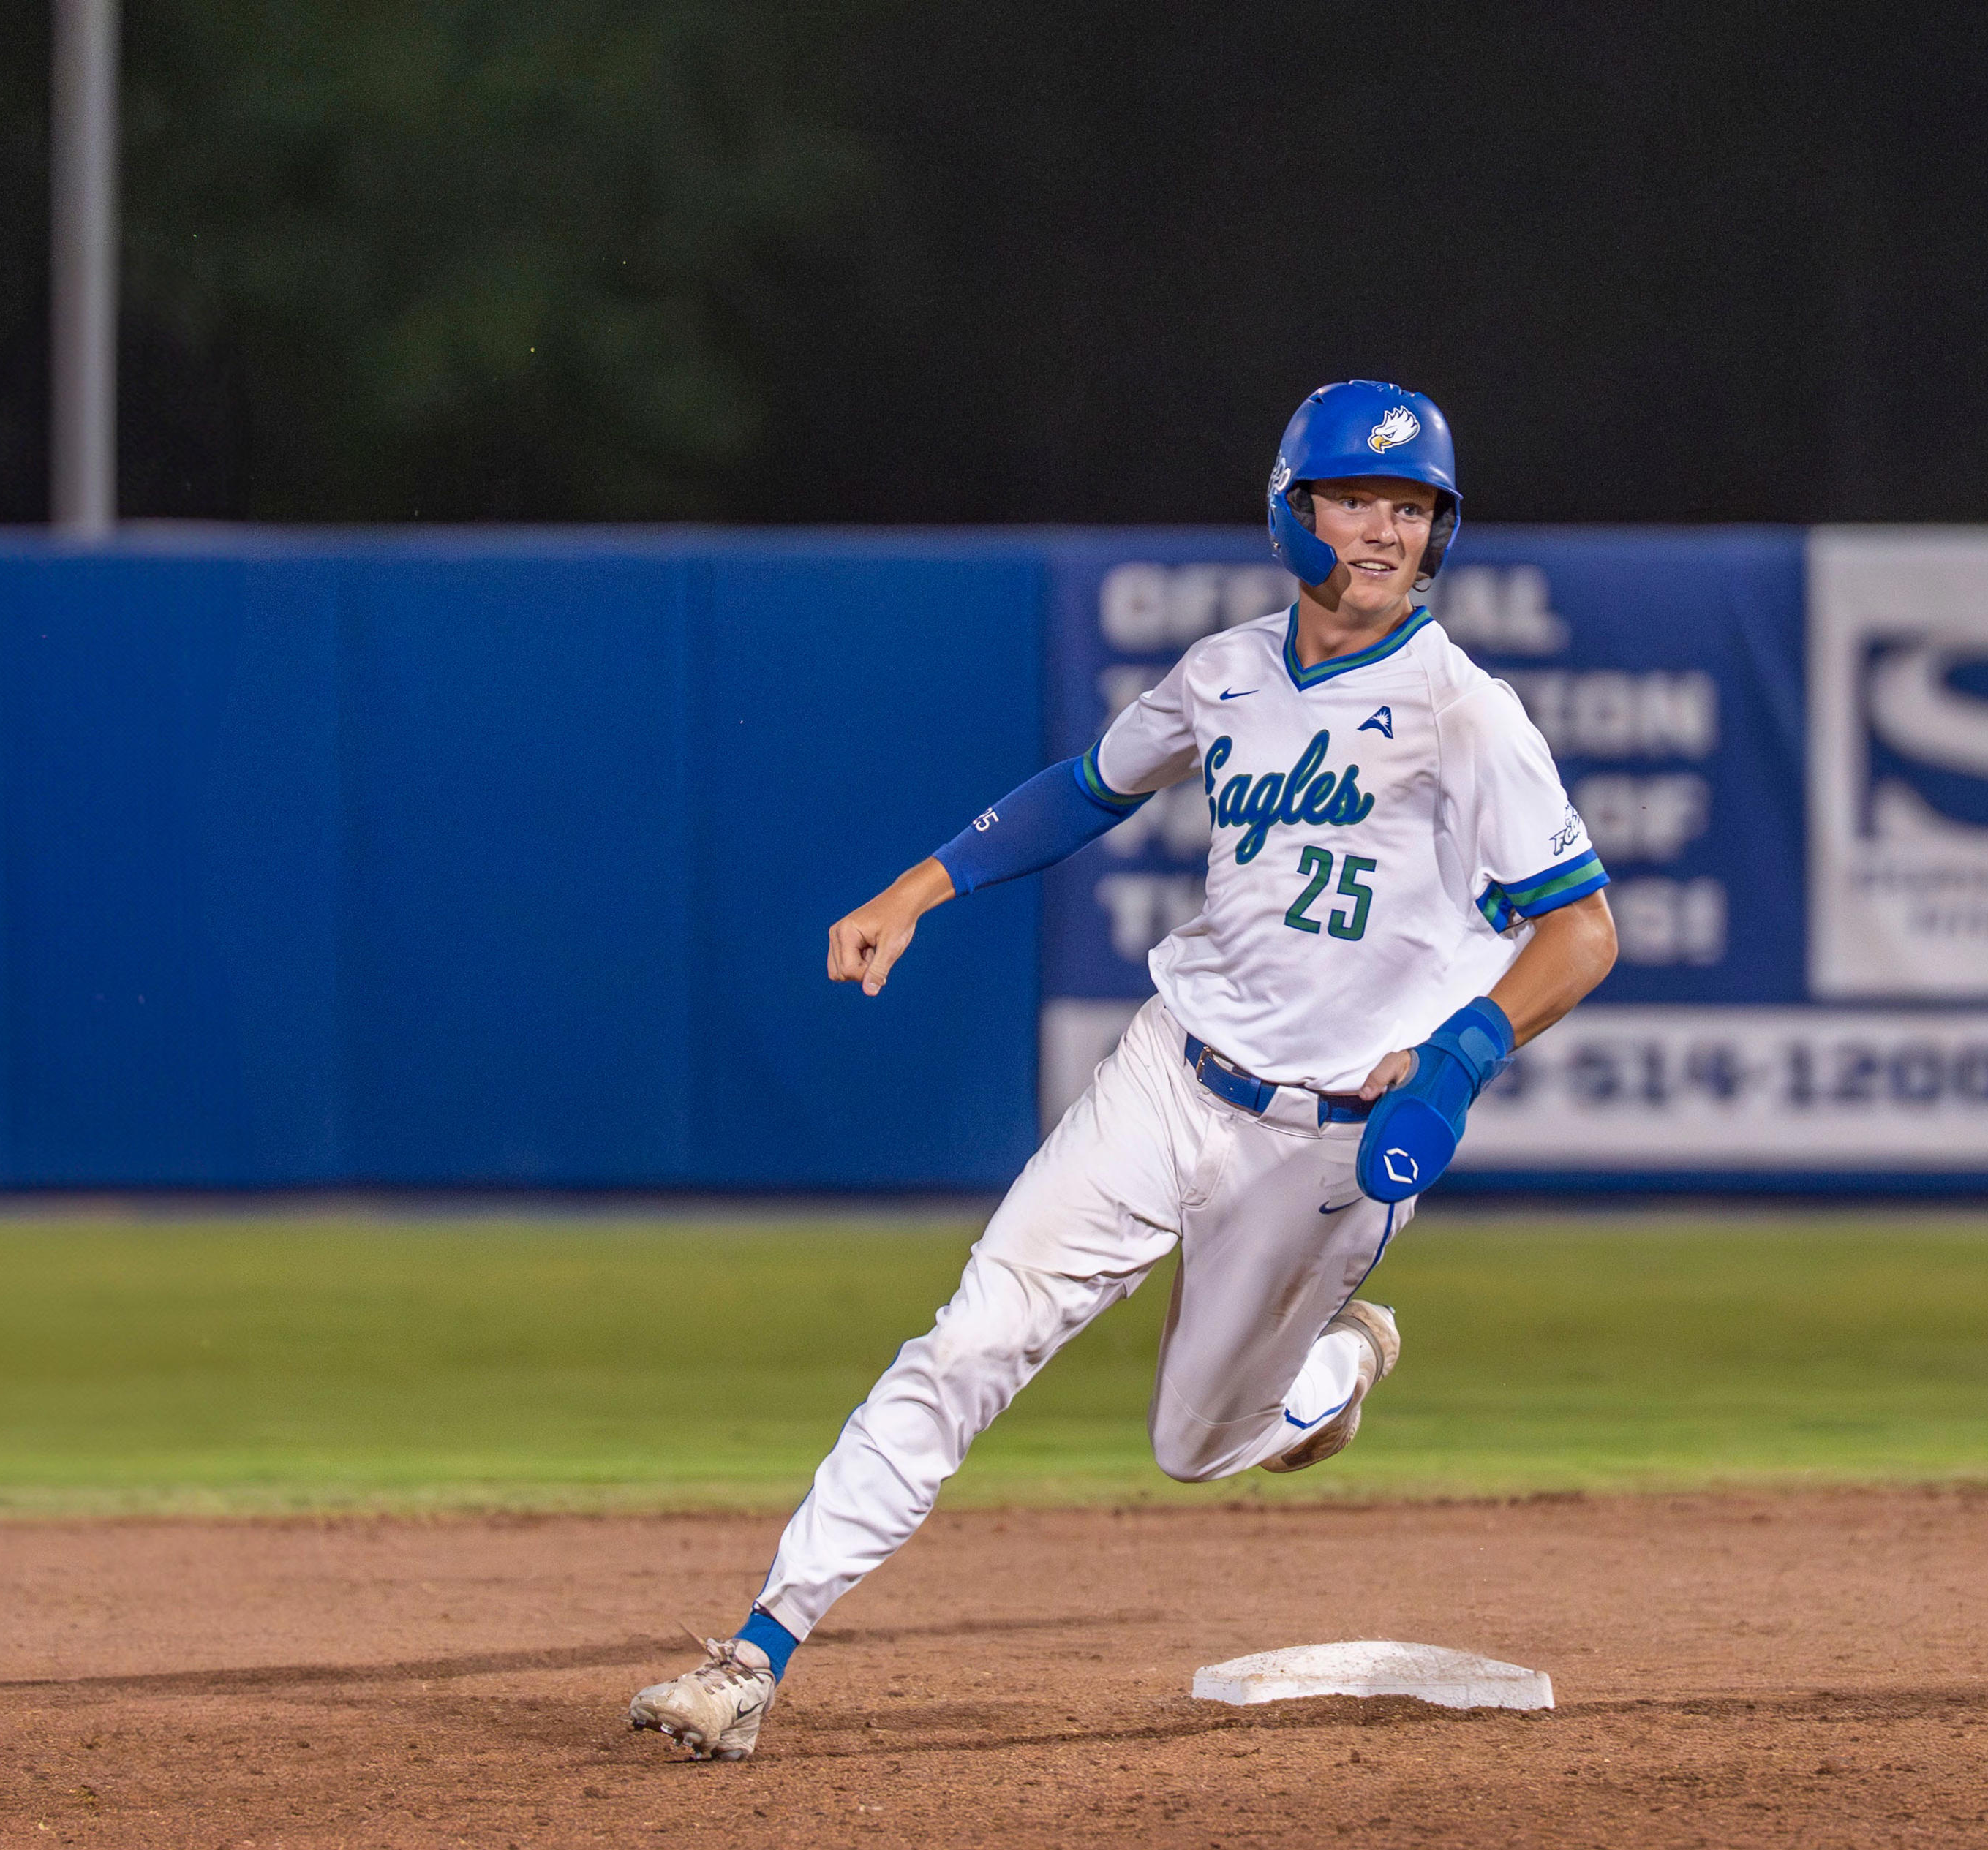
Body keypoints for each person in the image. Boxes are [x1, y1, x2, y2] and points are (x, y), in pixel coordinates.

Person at [628, 380, 1618, 1761]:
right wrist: (919, 889)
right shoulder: (1224, 670)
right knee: (969, 1341)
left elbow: (1580, 932)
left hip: (1330, 1141)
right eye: (1358, 498)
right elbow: (1088, 786)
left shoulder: (1465, 712)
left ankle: (1327, 1375)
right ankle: (754, 1655)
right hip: (1169, 1074)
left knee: (1195, 1448)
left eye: (1413, 508)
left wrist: (1458, 1060)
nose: (1386, 531)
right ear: (1293, 506)